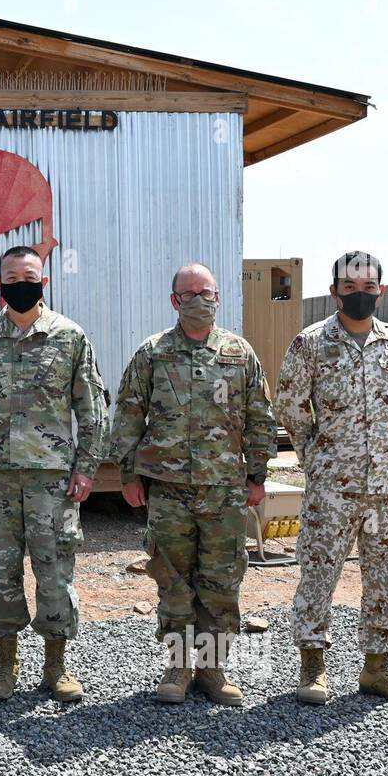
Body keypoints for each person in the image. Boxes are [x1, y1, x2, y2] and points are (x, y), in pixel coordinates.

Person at [110, 262, 275, 706]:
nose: (201, 300)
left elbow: (260, 416)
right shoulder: (153, 353)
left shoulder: (239, 353)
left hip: (223, 489)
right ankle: (179, 666)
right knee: (173, 579)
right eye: (190, 294)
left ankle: (212, 668)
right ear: (174, 301)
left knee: (222, 580)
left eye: (208, 293)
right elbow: (128, 414)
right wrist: (129, 474)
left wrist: (257, 474)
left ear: (218, 298)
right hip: (168, 488)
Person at [0, 246, 107, 702]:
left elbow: (92, 410)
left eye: (30, 274)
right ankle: (6, 665)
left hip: (52, 481)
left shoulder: (70, 337)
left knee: (55, 571)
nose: (21, 281)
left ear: (45, 281)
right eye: (12, 274)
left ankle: (56, 667)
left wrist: (87, 468)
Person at [274, 251, 388, 705]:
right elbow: (292, 407)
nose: (360, 294)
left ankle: (377, 668)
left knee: (385, 578)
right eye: (350, 286)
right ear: (334, 288)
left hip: (387, 492)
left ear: (382, 289)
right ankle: (312, 668)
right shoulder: (311, 343)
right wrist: (317, 457)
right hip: (330, 492)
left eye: (369, 286)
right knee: (318, 575)